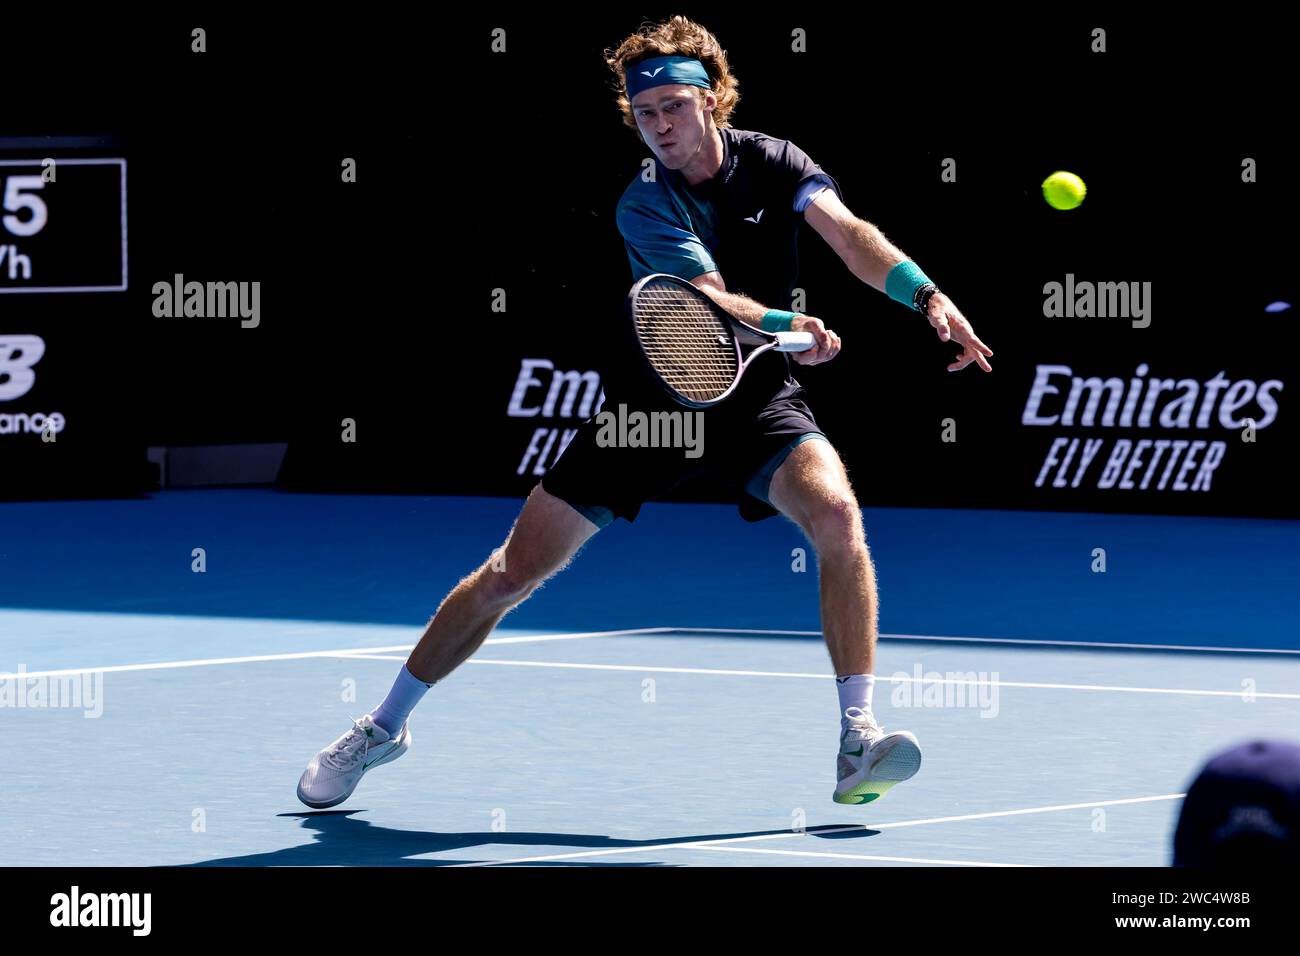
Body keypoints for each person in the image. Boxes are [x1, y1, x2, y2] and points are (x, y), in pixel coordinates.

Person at [297, 15, 992, 811]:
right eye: (645, 111)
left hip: (756, 400)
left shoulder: (776, 162)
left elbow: (849, 235)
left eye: (673, 105)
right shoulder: (644, 202)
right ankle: (382, 728)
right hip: (654, 405)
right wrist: (785, 326)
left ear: (713, 100)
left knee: (837, 517)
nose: (660, 125)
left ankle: (857, 735)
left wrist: (927, 297)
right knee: (509, 575)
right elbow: (704, 301)